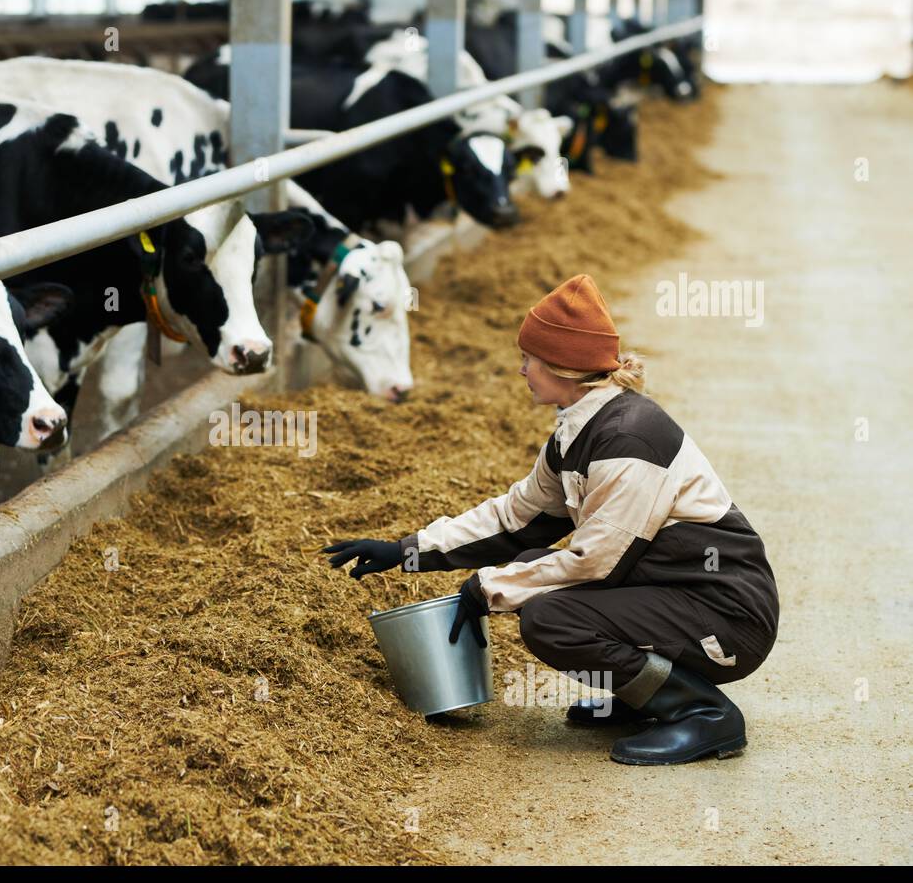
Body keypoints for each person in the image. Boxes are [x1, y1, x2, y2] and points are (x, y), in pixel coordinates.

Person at [324, 274, 779, 765]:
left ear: (561, 366)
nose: (521, 371)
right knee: (534, 561)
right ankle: (642, 695)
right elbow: (516, 516)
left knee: (550, 616)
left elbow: (597, 562)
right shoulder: (577, 433)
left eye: (529, 360)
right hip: (676, 594)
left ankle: (705, 715)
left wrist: (489, 587)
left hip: (726, 617)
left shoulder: (630, 440)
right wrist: (407, 550)